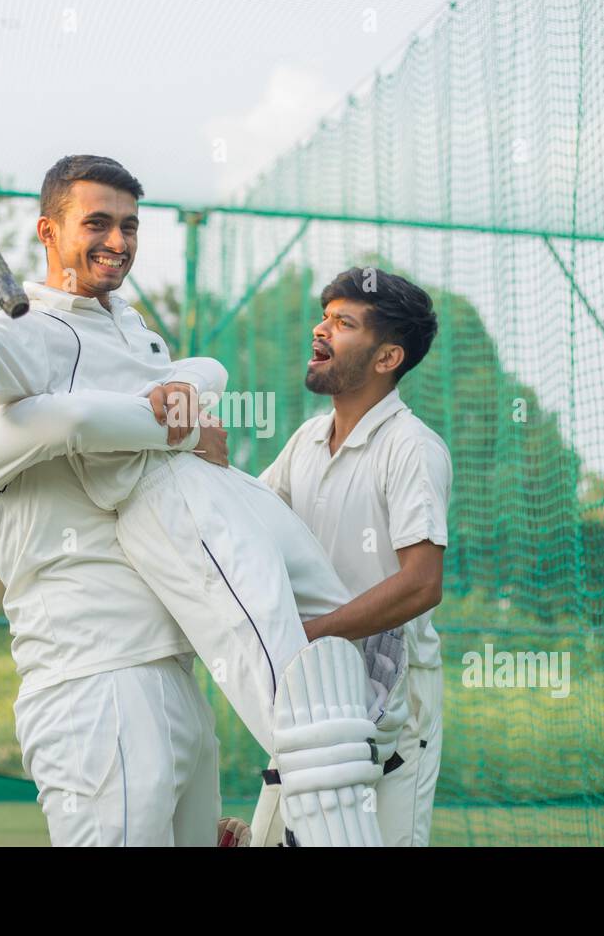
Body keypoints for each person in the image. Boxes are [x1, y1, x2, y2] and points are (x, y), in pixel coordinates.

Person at [0, 155, 401, 846]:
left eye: (129, 225)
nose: (119, 240)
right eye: (98, 223)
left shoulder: (109, 330)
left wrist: (185, 390)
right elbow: (72, 419)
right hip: (95, 686)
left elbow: (166, 384)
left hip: (173, 675)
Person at [250, 266, 452, 847]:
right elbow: (250, 519)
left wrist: (310, 633)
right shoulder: (306, 441)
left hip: (391, 701)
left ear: (388, 358)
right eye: (324, 315)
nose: (321, 329)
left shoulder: (411, 448)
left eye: (342, 323)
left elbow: (422, 585)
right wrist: (202, 455)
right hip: (315, 691)